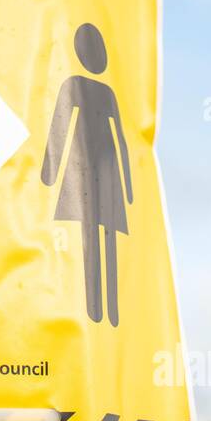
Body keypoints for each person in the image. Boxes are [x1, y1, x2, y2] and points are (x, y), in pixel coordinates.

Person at [41, 22, 132, 327]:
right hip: (92, 169)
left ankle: (103, 310)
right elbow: (61, 129)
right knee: (95, 236)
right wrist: (49, 174)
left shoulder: (95, 90)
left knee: (97, 236)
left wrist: (49, 174)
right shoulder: (86, 88)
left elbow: (117, 139)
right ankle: (100, 310)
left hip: (97, 169)